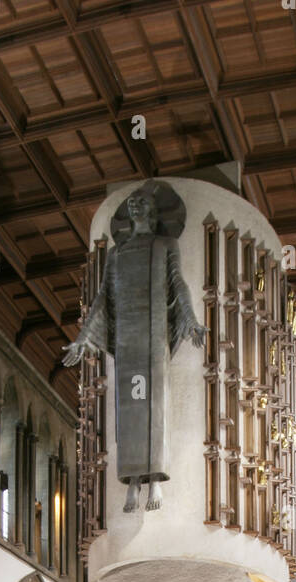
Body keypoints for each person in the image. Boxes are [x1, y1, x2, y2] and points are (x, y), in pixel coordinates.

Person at [63, 182, 205, 512]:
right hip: (128, 335)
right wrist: (84, 338)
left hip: (153, 335)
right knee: (128, 409)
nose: (137, 207)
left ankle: (155, 480)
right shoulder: (117, 253)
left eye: (142, 203)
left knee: (154, 404)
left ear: (154, 212)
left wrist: (191, 320)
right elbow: (102, 299)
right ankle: (133, 481)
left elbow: (177, 283)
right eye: (133, 204)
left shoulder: (165, 244)